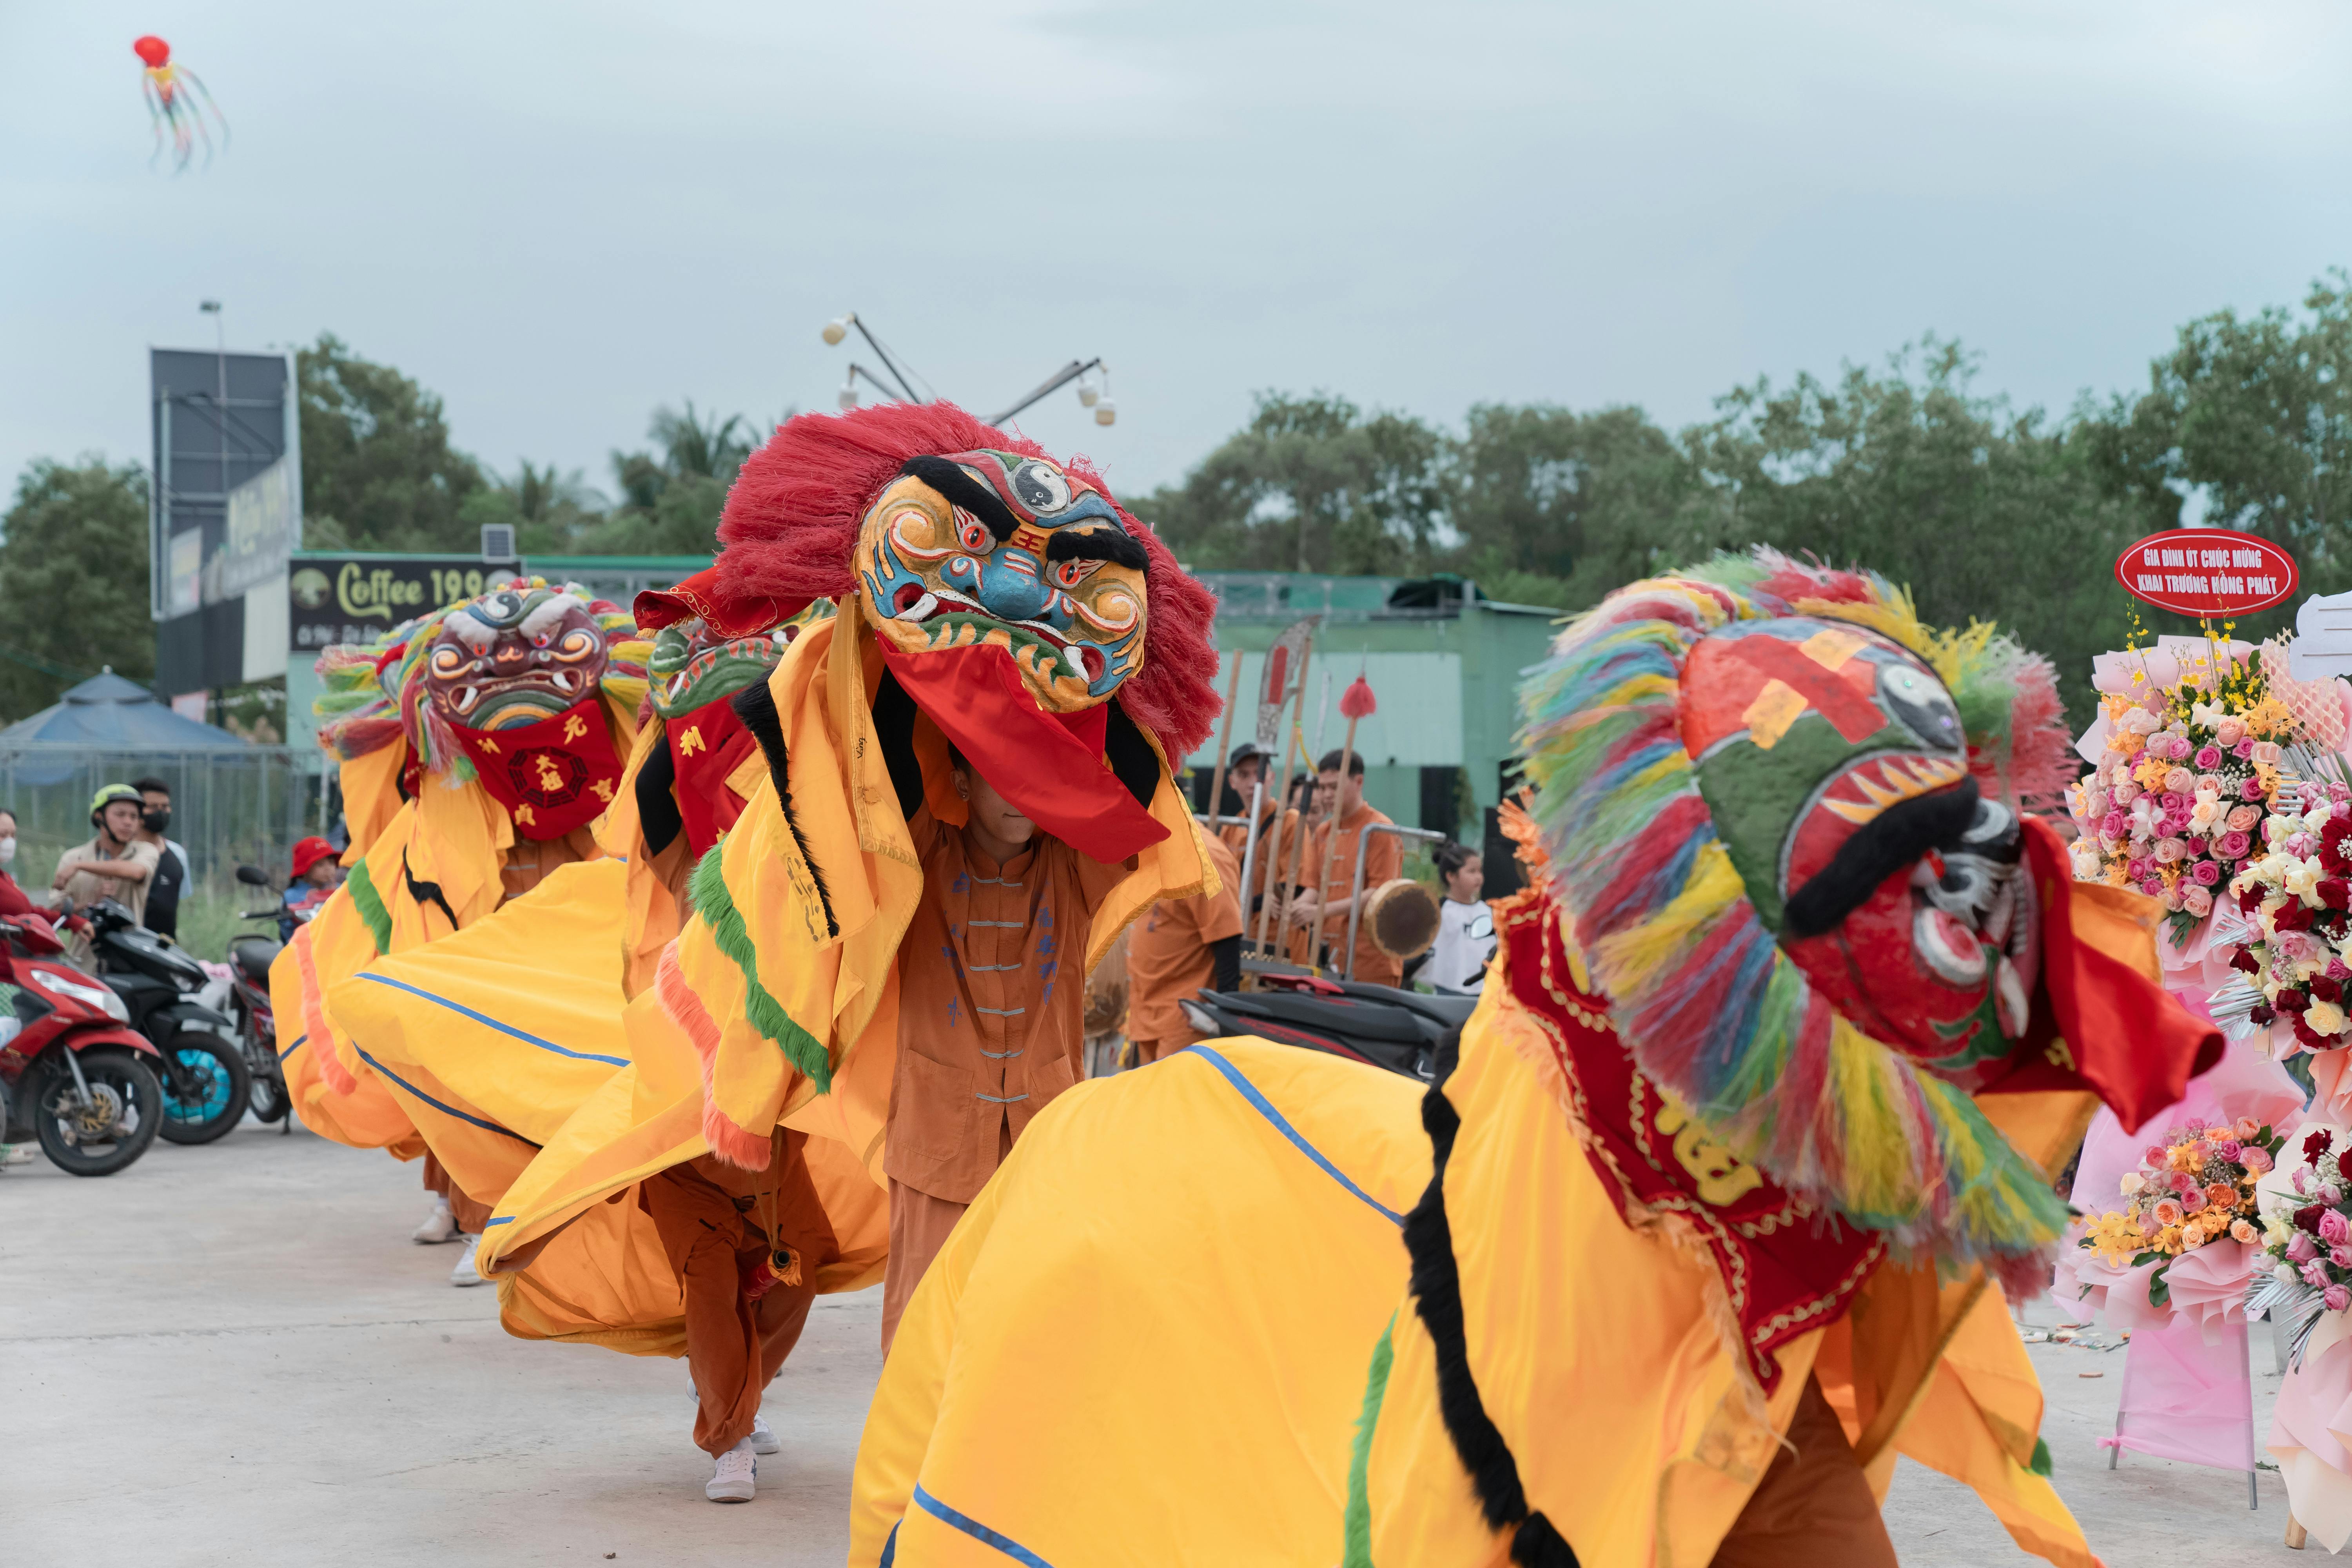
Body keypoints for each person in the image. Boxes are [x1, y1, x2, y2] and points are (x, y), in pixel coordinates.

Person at [882, 744, 1129, 1351]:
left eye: (1034, 777)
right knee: (928, 1326)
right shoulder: (919, 858)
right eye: (1000, 775)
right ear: (962, 783)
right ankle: (921, 1450)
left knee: (1033, 1327)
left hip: (1041, 1138)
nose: (1021, 795)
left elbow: (1130, 783)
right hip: (937, 1137)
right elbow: (888, 759)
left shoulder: (1073, 867)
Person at [1123, 829, 1244, 1065]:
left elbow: (1227, 937)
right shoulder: (1153, 844)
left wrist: (1226, 1019)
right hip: (1147, 1009)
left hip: (1185, 1016)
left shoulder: (1203, 853)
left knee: (1170, 1099)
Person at [1287, 748, 1401, 985]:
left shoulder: (1379, 829)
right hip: (1328, 953)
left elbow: (1381, 893)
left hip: (1370, 956)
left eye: (1334, 787)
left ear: (1359, 782)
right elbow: (1315, 886)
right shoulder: (1323, 832)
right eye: (1323, 787)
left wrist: (1320, 912)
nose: (1327, 795)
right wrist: (1298, 906)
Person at [48, 784, 160, 936]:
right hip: (84, 957)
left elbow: (136, 872)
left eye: (134, 817)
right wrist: (92, 905)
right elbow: (55, 911)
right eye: (120, 815)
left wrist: (79, 866)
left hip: (129, 954)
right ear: (99, 816)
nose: (128, 822)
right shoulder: (72, 857)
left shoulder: (146, 850)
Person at [1426, 840, 1495, 995]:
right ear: (1451, 876)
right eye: (1472, 871)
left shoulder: (1487, 911)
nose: (1479, 877)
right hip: (1448, 989)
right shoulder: (1438, 911)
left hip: (1484, 991)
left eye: (1480, 871)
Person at [128, 778, 190, 942]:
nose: (161, 813)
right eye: (153, 807)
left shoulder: (178, 854)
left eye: (165, 807)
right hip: (128, 947)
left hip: (165, 950)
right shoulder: (123, 854)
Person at [279, 835, 342, 941]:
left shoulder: (341, 889)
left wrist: (332, 893)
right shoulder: (292, 895)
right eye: (320, 865)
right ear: (304, 869)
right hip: (301, 948)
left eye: (331, 863)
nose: (328, 869)